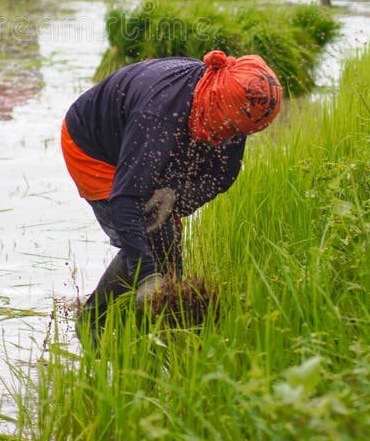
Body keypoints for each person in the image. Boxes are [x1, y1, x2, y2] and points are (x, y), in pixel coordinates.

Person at [61, 49, 282, 344]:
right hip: (93, 147)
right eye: (228, 129)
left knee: (166, 238)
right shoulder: (160, 116)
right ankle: (92, 320)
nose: (230, 139)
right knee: (146, 242)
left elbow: (224, 174)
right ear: (215, 102)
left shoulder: (230, 104)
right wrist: (148, 276)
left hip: (141, 137)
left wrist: (176, 195)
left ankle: (151, 329)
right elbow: (126, 198)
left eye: (240, 133)